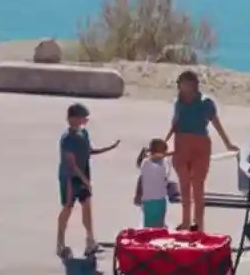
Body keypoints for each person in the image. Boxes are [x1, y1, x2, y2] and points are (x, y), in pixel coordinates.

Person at [164, 70, 237, 231]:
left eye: (183, 82)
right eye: (180, 83)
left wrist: (228, 143)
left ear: (192, 84)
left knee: (197, 186)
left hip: (200, 145)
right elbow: (174, 123)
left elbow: (216, 123)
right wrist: (165, 143)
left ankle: (198, 224)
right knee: (184, 185)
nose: (181, 86)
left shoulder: (205, 102)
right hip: (181, 144)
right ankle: (185, 221)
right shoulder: (179, 102)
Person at [56, 102, 119, 258]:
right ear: (72, 119)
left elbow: (89, 151)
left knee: (87, 207)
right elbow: (71, 162)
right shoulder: (68, 139)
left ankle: (90, 240)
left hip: (83, 176)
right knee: (68, 208)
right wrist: (85, 180)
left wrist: (109, 148)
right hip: (70, 178)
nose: (85, 120)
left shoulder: (83, 134)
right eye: (82, 117)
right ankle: (60, 243)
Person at [134, 138, 173, 228]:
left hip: (154, 200)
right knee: (152, 225)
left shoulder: (149, 163)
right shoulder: (148, 163)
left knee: (154, 224)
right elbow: (141, 178)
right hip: (153, 200)